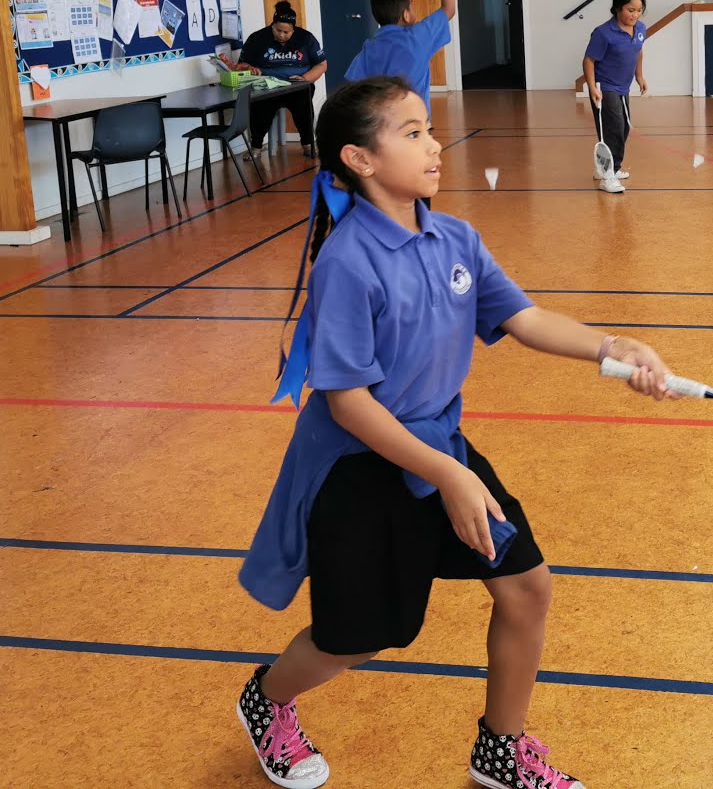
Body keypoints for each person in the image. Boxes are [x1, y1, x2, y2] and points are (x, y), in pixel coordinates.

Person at [236, 76, 677, 789]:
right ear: (360, 159)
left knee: (526, 587)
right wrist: (449, 474)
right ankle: (268, 697)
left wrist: (612, 346)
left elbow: (524, 319)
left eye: (429, 128)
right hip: (359, 469)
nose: (434, 144)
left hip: (440, 452)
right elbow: (347, 402)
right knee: (356, 638)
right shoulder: (348, 262)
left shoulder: (453, 238)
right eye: (411, 133)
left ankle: (500, 748)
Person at [343, 0, 456, 116]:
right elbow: (449, 9)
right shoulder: (419, 36)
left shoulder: (370, 48)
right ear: (405, 14)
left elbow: (353, 85)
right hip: (414, 123)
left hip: (382, 125)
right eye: (410, 7)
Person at [229, 1, 327, 157]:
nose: (282, 35)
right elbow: (242, 64)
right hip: (268, 86)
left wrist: (304, 78)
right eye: (278, 30)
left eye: (286, 32)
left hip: (296, 85)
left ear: (293, 30)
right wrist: (250, 68)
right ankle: (256, 146)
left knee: (303, 101)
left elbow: (322, 64)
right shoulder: (257, 38)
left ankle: (308, 144)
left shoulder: (306, 38)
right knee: (260, 104)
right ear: (272, 25)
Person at [582, 0, 647, 194]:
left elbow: (638, 53)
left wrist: (639, 76)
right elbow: (589, 60)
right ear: (618, 8)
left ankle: (607, 169)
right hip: (605, 87)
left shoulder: (640, 29)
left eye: (639, 10)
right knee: (614, 130)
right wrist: (592, 88)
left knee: (624, 128)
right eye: (630, 10)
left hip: (623, 87)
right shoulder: (603, 33)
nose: (635, 15)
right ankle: (607, 177)